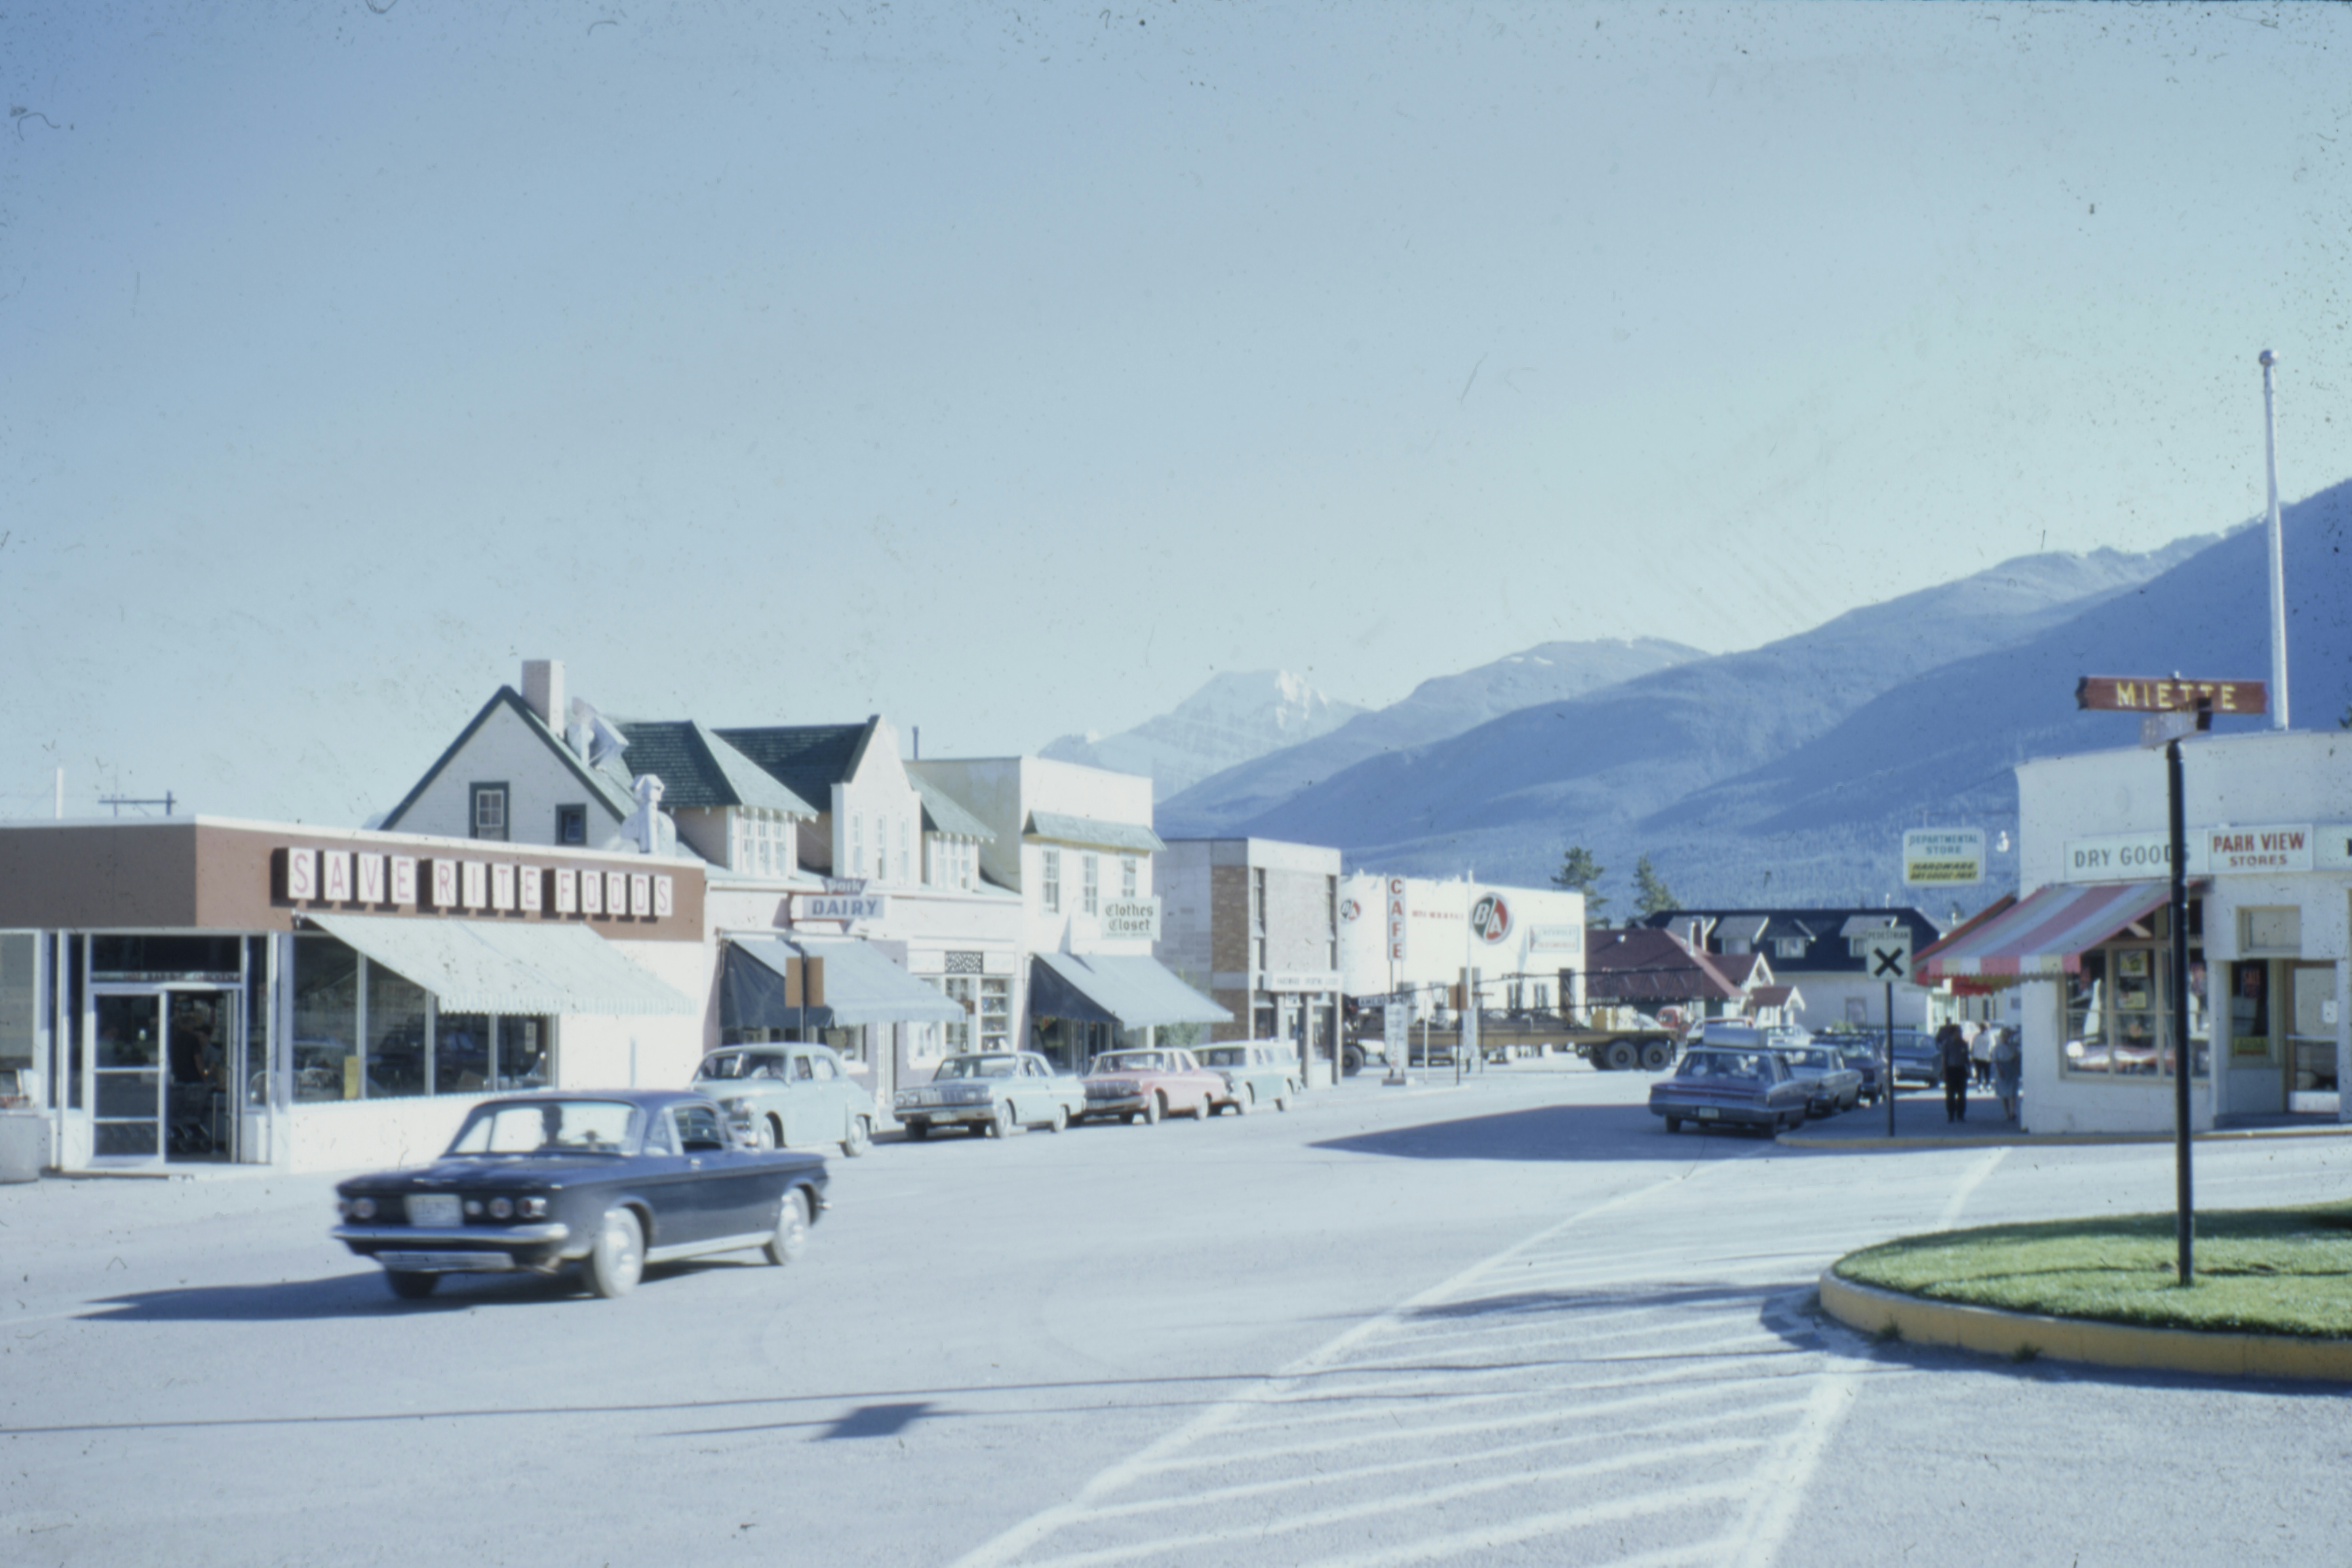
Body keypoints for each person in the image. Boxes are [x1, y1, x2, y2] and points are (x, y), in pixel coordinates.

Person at [1938, 1022, 1972, 1122]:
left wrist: (1970, 1070)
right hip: (1951, 1070)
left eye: (1961, 1032)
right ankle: (1951, 1115)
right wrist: (1944, 1073)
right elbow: (1944, 1059)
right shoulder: (1947, 1044)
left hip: (1961, 1070)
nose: (1960, 1034)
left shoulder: (1964, 1044)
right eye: (1959, 1032)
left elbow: (1967, 1059)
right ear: (1953, 1033)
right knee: (1950, 1095)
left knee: (1962, 1095)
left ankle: (1961, 1115)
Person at [1992, 1026, 2022, 1121]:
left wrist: (2017, 1061)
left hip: (2012, 1070)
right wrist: (1999, 1071)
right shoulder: (1997, 1048)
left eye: (2008, 1036)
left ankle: (2013, 1112)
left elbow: (2019, 1057)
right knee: (2003, 1094)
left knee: (2013, 1093)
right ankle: (2007, 1114)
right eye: (2004, 1036)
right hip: (2002, 1070)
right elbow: (1995, 1061)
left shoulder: (2013, 1047)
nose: (2006, 1038)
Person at [1970, 1022, 1996, 1088]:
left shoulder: (1977, 1036)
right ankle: (1987, 1084)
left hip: (1978, 1056)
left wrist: (1972, 1055)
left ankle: (1980, 1084)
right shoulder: (1990, 1036)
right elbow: (1993, 1046)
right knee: (1987, 1071)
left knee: (1980, 1072)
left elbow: (1973, 1046)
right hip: (1986, 1056)